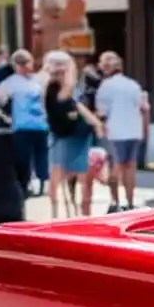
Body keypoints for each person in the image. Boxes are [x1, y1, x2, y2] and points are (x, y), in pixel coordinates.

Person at [43, 51, 103, 218]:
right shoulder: (52, 88)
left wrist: (96, 123)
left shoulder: (73, 91)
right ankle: (56, 212)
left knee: (78, 174)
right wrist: (65, 73)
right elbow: (65, 97)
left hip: (76, 136)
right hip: (60, 136)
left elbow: (78, 106)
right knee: (57, 172)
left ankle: (76, 212)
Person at [94, 52, 148, 212]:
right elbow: (142, 107)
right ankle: (130, 202)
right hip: (133, 131)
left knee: (115, 167)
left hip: (115, 131)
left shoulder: (106, 86)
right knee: (130, 167)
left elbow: (101, 112)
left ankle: (114, 202)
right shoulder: (133, 85)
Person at [0, 50, 50, 199]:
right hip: (21, 126)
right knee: (23, 159)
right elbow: (1, 101)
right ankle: (24, 186)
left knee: (42, 156)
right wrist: (6, 117)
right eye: (23, 63)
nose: (27, 66)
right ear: (16, 65)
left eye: (28, 62)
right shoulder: (9, 83)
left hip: (41, 125)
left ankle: (42, 183)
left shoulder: (38, 80)